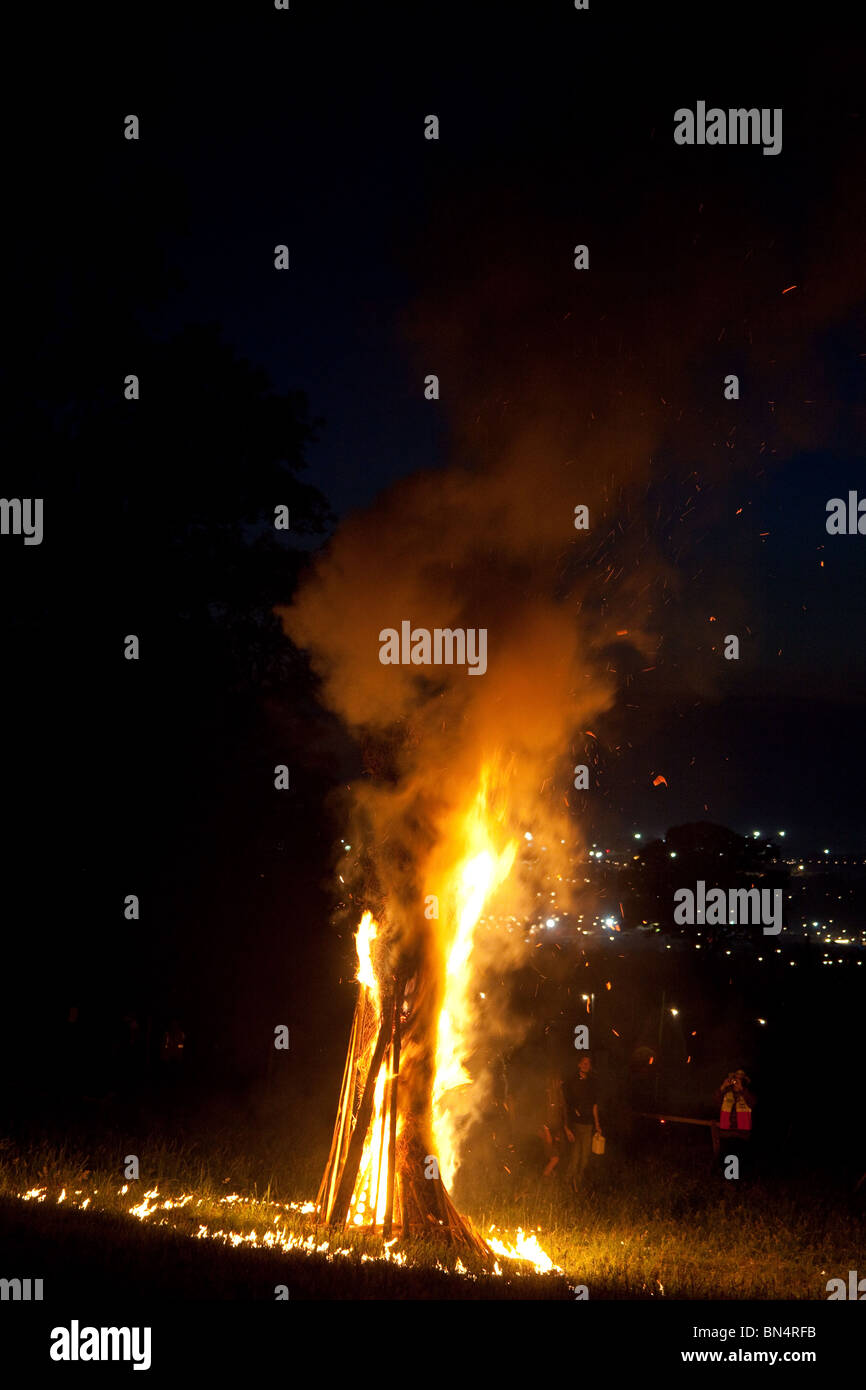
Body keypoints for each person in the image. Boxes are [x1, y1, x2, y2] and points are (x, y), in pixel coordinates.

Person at [562, 1055, 603, 1191]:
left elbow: (594, 1106)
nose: (586, 1065)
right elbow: (566, 1105)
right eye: (583, 1063)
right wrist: (566, 1127)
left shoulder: (592, 1083)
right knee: (575, 1156)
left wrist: (597, 1125)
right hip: (576, 1125)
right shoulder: (572, 1082)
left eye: (588, 1063)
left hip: (588, 1125)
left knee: (585, 1157)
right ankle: (567, 1180)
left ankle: (577, 1181)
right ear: (579, 1064)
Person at [716, 1068, 755, 1175]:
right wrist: (723, 1086)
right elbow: (717, 1102)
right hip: (726, 1133)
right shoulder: (726, 1093)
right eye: (735, 1079)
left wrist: (742, 1090)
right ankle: (727, 1184)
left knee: (738, 1163)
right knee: (725, 1162)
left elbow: (753, 1103)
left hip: (741, 1134)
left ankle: (737, 1185)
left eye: (739, 1079)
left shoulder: (747, 1094)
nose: (736, 1081)